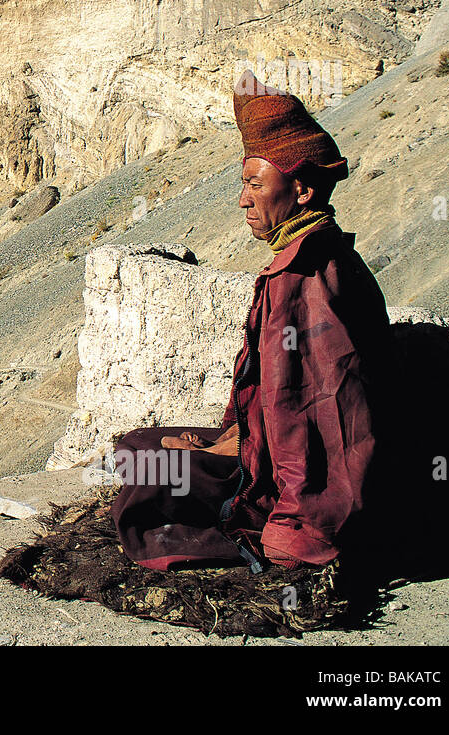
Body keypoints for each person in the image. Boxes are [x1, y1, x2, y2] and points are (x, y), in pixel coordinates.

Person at [110, 70, 392, 572]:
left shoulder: (302, 278)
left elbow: (308, 413)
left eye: (255, 184)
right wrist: (226, 438)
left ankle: (234, 521)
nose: (243, 199)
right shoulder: (320, 253)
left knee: (144, 468)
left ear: (302, 189)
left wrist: (293, 526)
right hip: (261, 449)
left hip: (278, 484)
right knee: (140, 443)